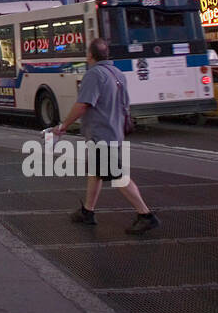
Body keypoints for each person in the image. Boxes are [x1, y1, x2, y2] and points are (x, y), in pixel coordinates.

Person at [55, 37, 159, 235]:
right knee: (97, 172)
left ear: (90, 55)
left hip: (101, 133)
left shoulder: (94, 74)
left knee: (117, 175)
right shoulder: (118, 73)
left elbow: (83, 104)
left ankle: (145, 214)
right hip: (114, 130)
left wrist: (64, 125)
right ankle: (87, 211)